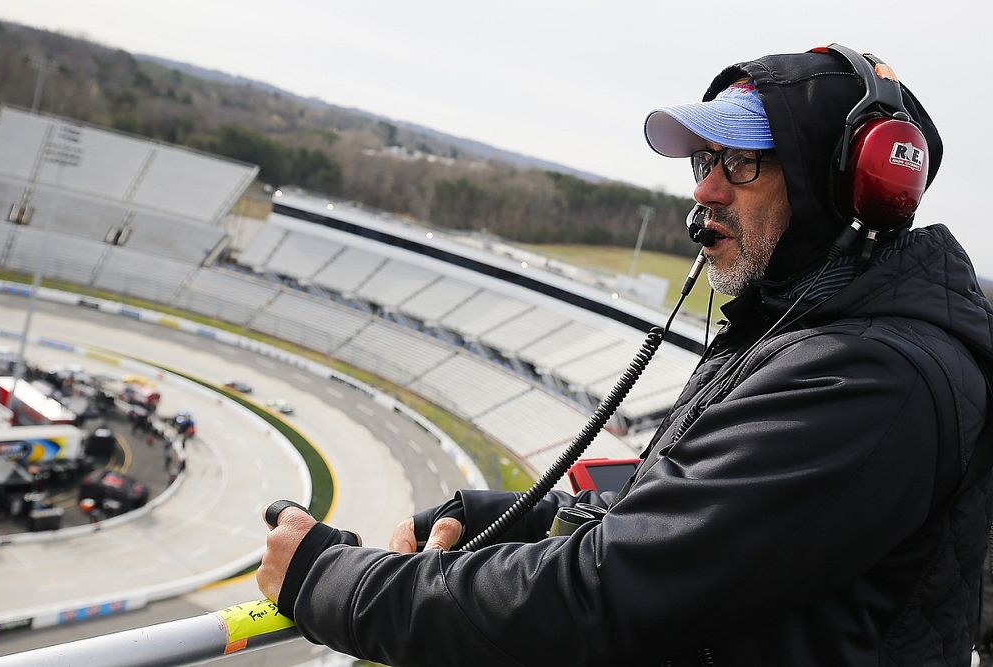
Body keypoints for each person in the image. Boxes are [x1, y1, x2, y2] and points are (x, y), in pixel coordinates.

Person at [257, 46, 993, 665]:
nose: (705, 190)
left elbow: (605, 591)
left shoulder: (870, 380)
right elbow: (668, 518)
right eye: (704, 160)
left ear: (847, 189)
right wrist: (491, 515)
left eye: (740, 163)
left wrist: (331, 579)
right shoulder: (803, 332)